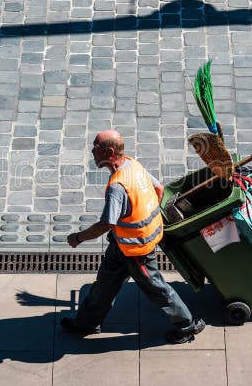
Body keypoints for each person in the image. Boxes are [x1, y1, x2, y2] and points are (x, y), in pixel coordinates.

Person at [61, 129, 206, 344]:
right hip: (122, 244)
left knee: (157, 288)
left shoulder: (118, 187)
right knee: (104, 285)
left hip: (137, 249)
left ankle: (186, 325)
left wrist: (78, 237)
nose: (92, 150)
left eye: (96, 146)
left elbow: (106, 223)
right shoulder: (133, 165)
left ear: (109, 151)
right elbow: (159, 188)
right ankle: (86, 323)